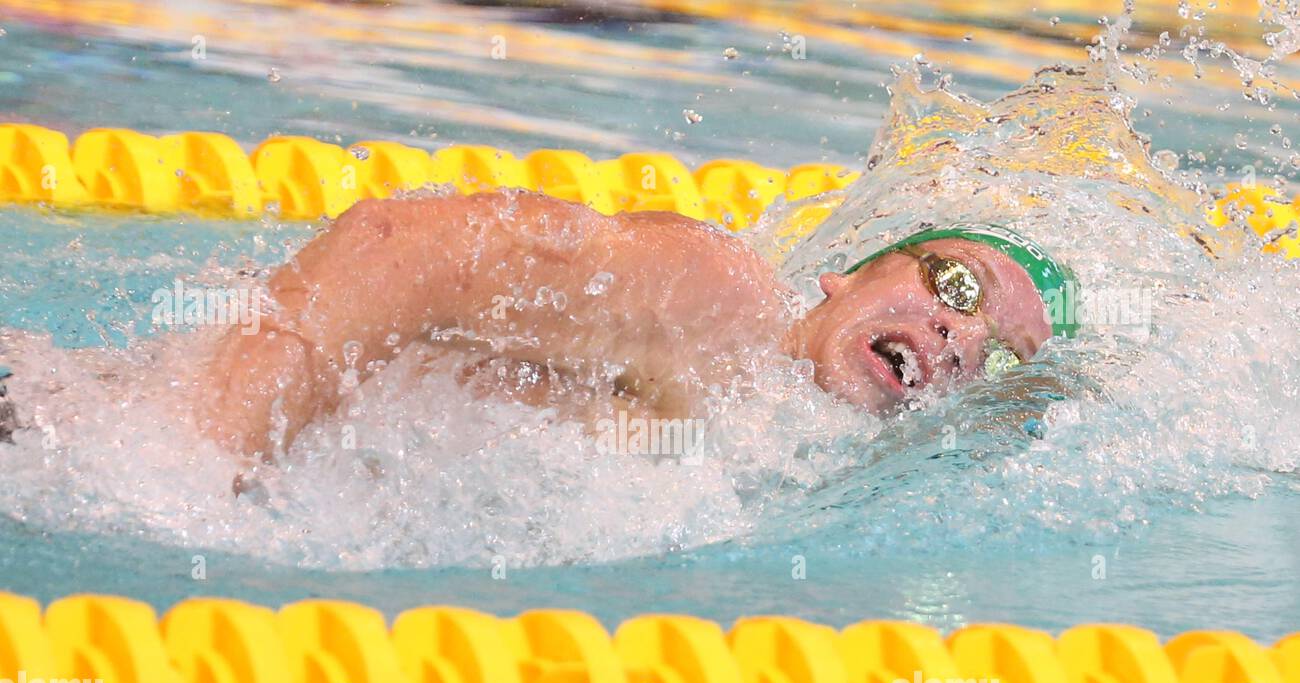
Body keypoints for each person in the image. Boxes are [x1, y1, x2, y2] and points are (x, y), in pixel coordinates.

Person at [2, 189, 1071, 458]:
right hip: (61, 426)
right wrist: (208, 457)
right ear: (843, 274)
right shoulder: (723, 298)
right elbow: (393, 244)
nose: (951, 335)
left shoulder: (777, 436)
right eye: (956, 287)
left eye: (983, 354)